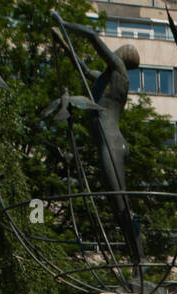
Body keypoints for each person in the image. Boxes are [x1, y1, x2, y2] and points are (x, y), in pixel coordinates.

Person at [52, 14, 145, 279]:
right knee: (118, 209)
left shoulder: (118, 71)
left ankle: (140, 262)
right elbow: (82, 67)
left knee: (121, 207)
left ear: (122, 55)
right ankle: (138, 262)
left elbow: (92, 36)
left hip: (112, 144)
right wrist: (63, 44)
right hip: (108, 143)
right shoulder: (103, 78)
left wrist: (64, 23)